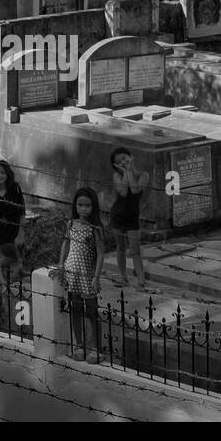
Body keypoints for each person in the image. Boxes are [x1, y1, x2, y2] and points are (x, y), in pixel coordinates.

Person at [55, 187, 105, 363]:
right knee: (75, 310)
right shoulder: (71, 224)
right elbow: (66, 244)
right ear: (75, 205)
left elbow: (100, 253)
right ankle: (79, 345)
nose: (83, 209)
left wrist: (96, 277)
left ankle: (95, 348)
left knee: (91, 311)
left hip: (87, 275)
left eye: (87, 205)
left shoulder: (94, 228)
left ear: (93, 207)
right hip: (72, 273)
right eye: (80, 205)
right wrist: (61, 265)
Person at [107, 148, 150, 291]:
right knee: (120, 248)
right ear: (116, 166)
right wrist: (125, 173)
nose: (124, 162)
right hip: (118, 215)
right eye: (120, 162)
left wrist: (129, 172)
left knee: (135, 250)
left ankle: (141, 281)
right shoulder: (116, 176)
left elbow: (135, 189)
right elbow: (124, 192)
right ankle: (123, 277)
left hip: (133, 216)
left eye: (125, 158)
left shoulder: (144, 175)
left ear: (132, 157)